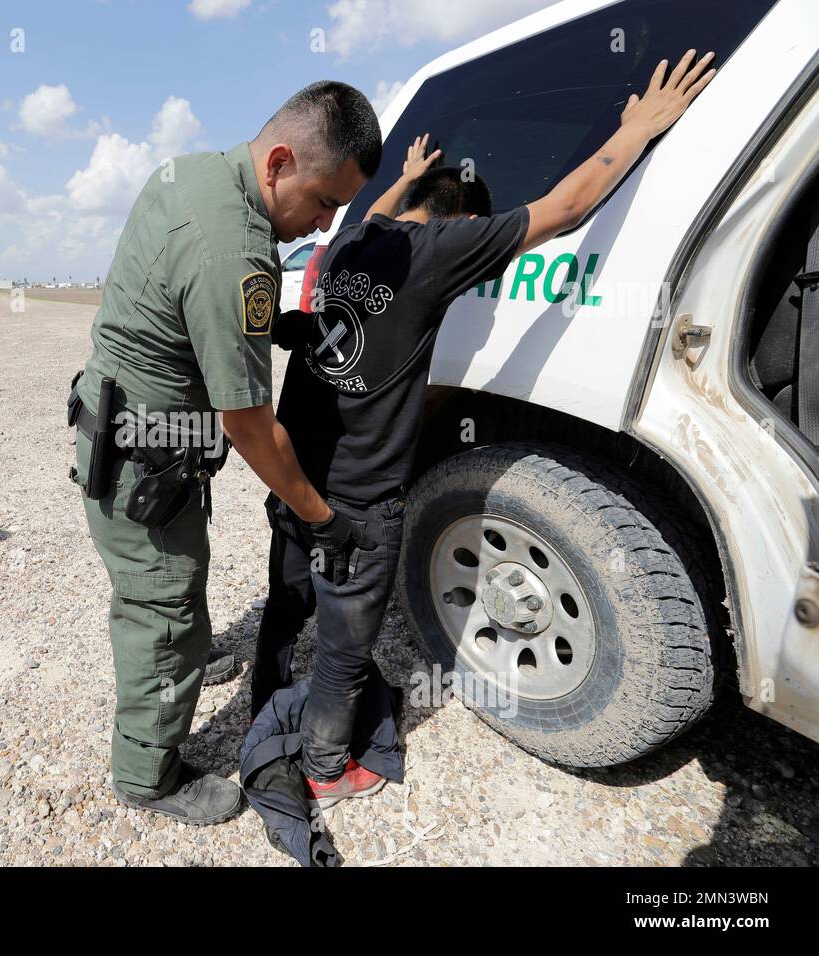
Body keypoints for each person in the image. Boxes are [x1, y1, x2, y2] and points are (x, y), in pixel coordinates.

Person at [253, 51, 718, 805]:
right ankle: (325, 769)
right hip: (360, 505)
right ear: (465, 222)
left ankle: (260, 702)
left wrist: (404, 174)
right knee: (345, 648)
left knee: (287, 601)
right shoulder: (440, 251)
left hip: (296, 477)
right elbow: (568, 207)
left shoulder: (348, 246)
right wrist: (636, 127)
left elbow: (376, 211)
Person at [70, 81, 382, 824]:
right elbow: (248, 425)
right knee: (164, 607)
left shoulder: (193, 173)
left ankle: (179, 663)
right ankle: (149, 773)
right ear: (278, 162)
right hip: (147, 459)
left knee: (174, 586)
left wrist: (274, 325)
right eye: (321, 202)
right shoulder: (238, 250)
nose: (323, 223)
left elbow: (177, 292)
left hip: (127, 433)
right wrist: (321, 517)